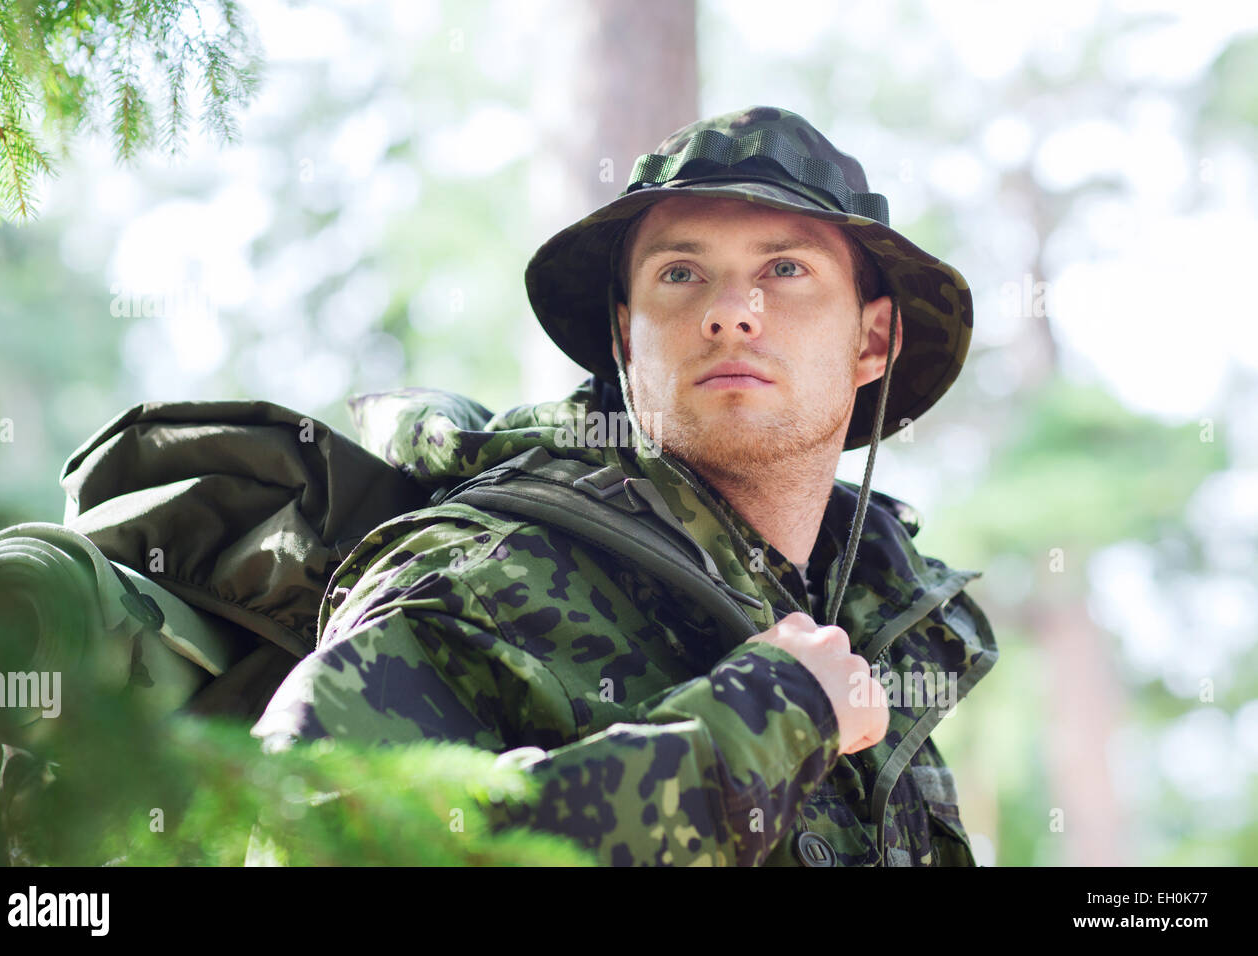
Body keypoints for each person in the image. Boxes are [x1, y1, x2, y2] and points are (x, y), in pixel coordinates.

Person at [252, 105, 999, 867]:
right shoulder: (477, 579)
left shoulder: (882, 630)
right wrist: (759, 726)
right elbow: (313, 843)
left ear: (872, 339)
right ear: (623, 339)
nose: (730, 314)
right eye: (680, 273)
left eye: (786, 270)